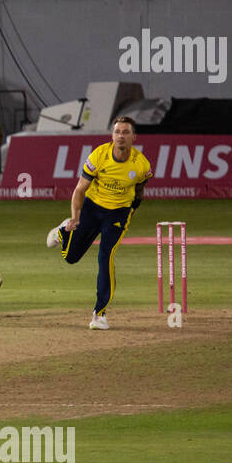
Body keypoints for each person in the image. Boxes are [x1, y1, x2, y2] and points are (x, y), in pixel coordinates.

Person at [45, 115, 153, 329]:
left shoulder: (141, 164)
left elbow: (140, 186)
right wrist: (75, 218)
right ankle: (62, 232)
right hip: (93, 207)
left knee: (106, 255)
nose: (120, 136)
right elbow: (79, 190)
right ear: (112, 135)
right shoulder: (99, 156)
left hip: (119, 212)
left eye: (125, 132)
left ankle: (99, 313)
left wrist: (134, 206)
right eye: (117, 132)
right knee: (71, 257)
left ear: (134, 137)